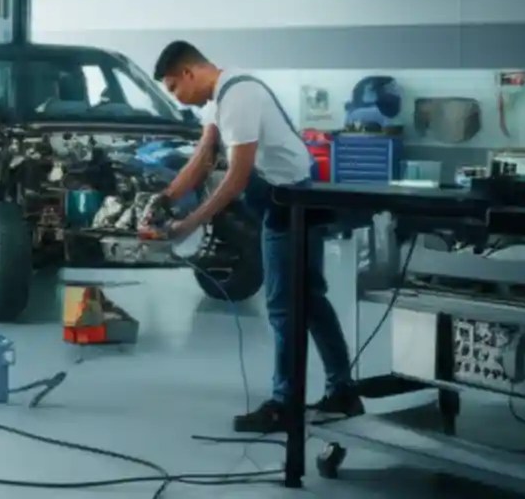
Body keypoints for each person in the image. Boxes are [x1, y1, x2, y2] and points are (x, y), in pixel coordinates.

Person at [148, 41, 363, 433]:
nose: (177, 97)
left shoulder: (239, 96)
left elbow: (236, 178)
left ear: (189, 73)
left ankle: (285, 404)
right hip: (280, 197)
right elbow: (204, 157)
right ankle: (343, 391)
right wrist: (164, 199)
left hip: (292, 200)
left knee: (284, 306)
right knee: (310, 300)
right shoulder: (218, 98)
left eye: (173, 88)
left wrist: (188, 223)